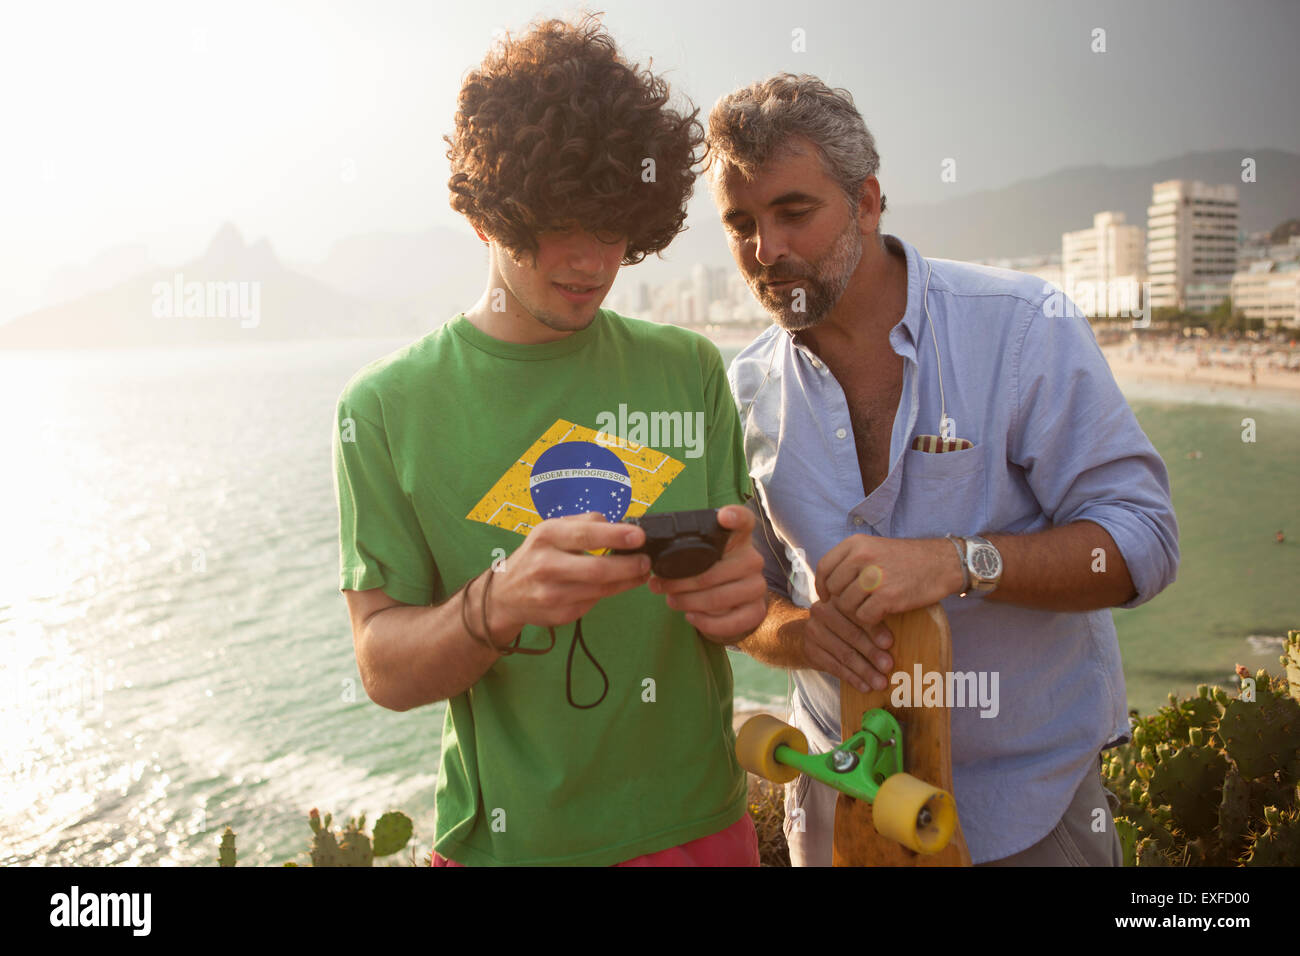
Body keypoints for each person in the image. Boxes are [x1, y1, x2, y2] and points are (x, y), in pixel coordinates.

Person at [694, 73, 1180, 866]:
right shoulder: (743, 391)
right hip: (843, 808)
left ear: (868, 202)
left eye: (793, 212)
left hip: (1030, 808)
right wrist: (803, 635)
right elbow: (747, 597)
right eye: (739, 222)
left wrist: (957, 562)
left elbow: (1145, 546)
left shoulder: (1023, 328)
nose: (766, 251)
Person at [331, 16, 767, 867]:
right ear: (486, 214)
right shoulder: (383, 408)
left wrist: (742, 602)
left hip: (700, 829)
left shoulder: (689, 369)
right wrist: (497, 605)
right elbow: (383, 670)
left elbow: (734, 603)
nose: (593, 261)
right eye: (561, 224)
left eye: (616, 228)